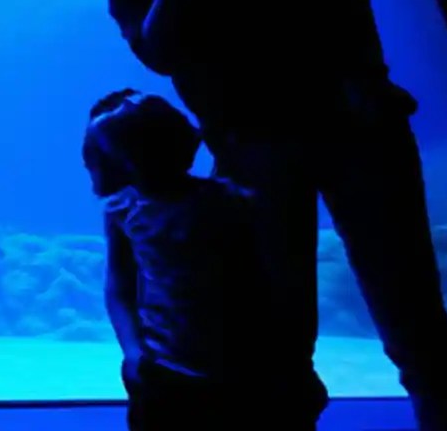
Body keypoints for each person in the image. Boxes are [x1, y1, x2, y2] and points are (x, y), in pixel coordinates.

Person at [72, 0, 447, 430]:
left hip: (349, 133)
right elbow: (161, 49)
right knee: (279, 340)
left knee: (413, 321)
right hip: (261, 151)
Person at [86, 88, 319, 430]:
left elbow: (277, 285)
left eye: (148, 145)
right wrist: (133, 352)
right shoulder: (122, 211)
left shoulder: (234, 201)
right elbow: (118, 288)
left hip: (247, 373)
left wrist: (291, 364)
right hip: (162, 373)